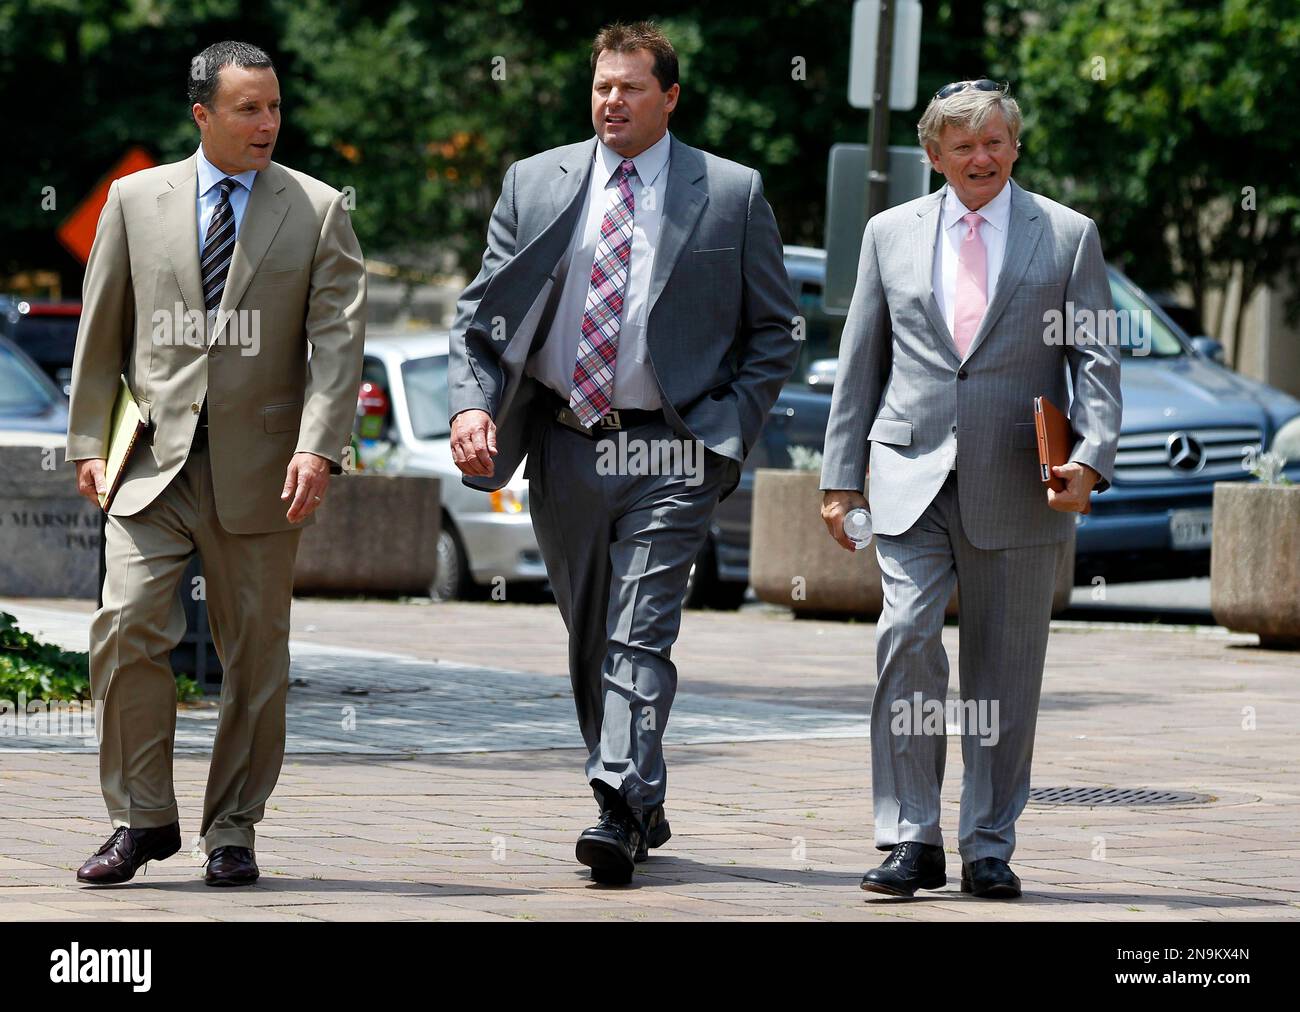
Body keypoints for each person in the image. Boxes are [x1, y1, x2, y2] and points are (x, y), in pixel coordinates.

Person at [448, 21, 798, 884]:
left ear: (668, 97)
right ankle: (640, 795)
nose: (612, 100)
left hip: (671, 449)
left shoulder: (729, 192)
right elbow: (480, 320)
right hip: (567, 442)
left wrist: (727, 432)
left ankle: (611, 805)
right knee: (591, 638)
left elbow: (775, 331)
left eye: (631, 87)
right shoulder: (536, 183)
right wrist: (470, 406)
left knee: (641, 632)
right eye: (602, 86)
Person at [66, 40, 366, 886]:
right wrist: (89, 440)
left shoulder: (316, 207)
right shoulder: (134, 199)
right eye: (248, 108)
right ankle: (141, 818)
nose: (267, 122)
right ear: (203, 114)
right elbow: (102, 329)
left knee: (255, 658)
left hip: (265, 467)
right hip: (150, 462)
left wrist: (319, 445)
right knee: (125, 626)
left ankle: (232, 828)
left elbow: (338, 341)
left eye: (274, 107)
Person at [820, 80, 1121, 899]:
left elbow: (1095, 360)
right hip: (910, 475)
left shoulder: (1065, 235)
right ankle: (909, 836)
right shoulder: (889, 234)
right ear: (933, 156)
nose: (981, 157)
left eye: (994, 142)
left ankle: (988, 843)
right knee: (907, 637)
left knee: (1004, 671)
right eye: (963, 147)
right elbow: (861, 363)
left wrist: (1089, 460)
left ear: (1015, 146)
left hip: (1022, 485)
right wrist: (841, 479)